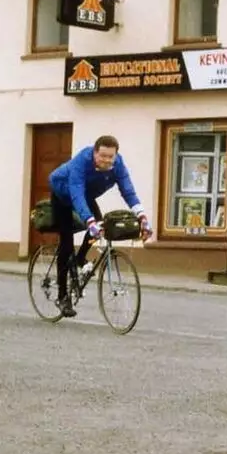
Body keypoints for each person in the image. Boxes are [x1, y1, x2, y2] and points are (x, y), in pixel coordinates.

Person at [47, 134, 152, 317]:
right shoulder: (82, 161)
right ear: (95, 152)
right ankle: (63, 296)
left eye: (110, 156)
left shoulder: (117, 165)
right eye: (102, 156)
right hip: (63, 194)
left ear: (116, 155)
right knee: (66, 243)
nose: (106, 160)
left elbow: (128, 190)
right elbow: (77, 193)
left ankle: (80, 259)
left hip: (86, 194)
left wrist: (142, 215)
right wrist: (88, 221)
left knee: (99, 225)